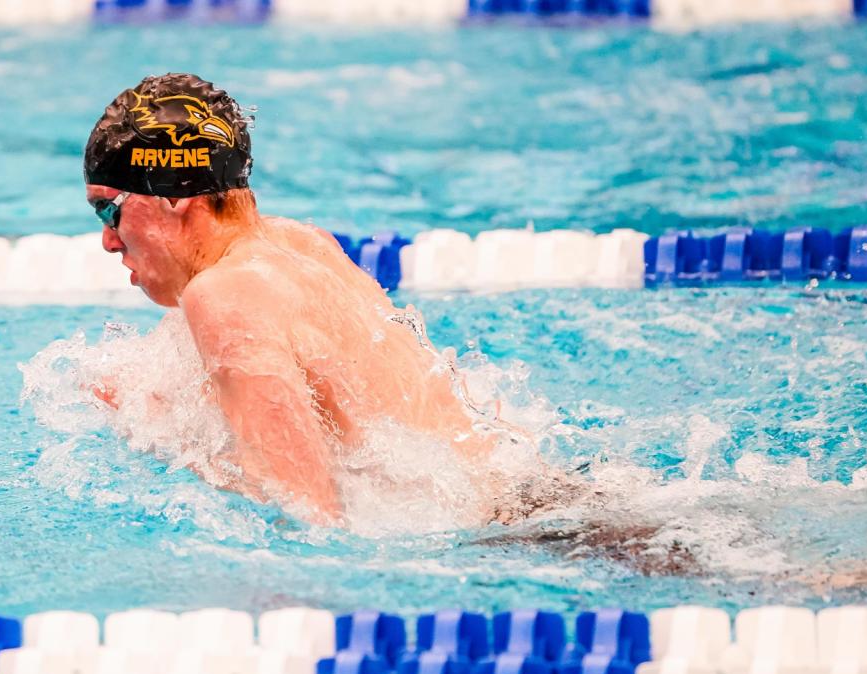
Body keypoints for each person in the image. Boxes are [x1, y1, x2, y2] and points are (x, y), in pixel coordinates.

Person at [83, 73, 533, 525]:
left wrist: (160, 440)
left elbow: (305, 511)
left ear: (171, 195)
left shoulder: (220, 296)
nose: (108, 240)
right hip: (528, 498)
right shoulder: (300, 242)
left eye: (108, 209)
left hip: (501, 543)